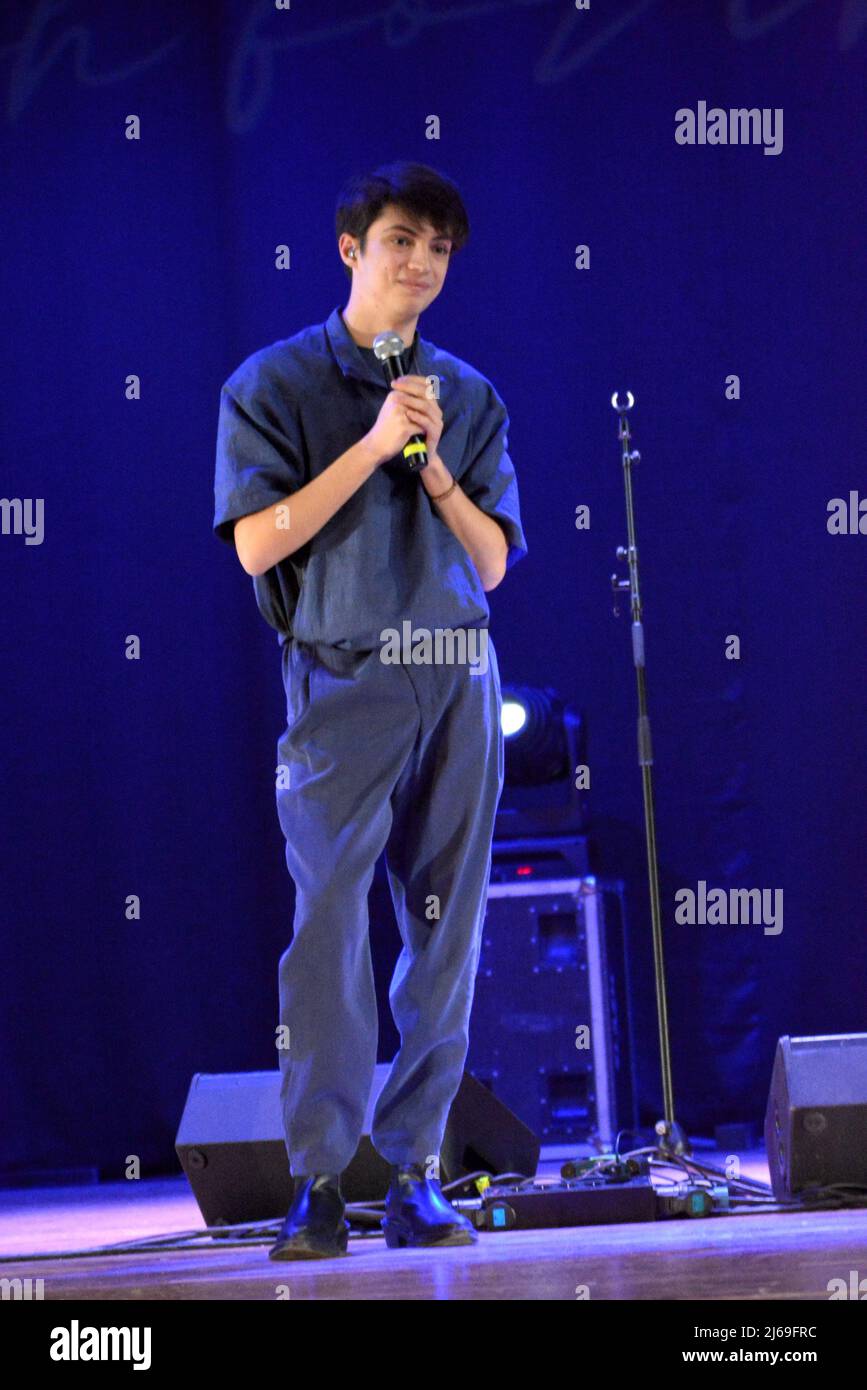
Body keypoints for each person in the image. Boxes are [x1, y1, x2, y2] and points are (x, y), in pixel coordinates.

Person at [213, 160, 528, 1259]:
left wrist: (435, 465)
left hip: (455, 669)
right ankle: (318, 1180)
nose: (422, 264)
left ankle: (416, 1173)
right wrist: (369, 442)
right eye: (403, 241)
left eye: (440, 248)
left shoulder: (469, 396)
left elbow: (490, 566)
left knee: (447, 928)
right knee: (330, 925)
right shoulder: (274, 382)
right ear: (350, 248)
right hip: (343, 671)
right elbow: (258, 543)